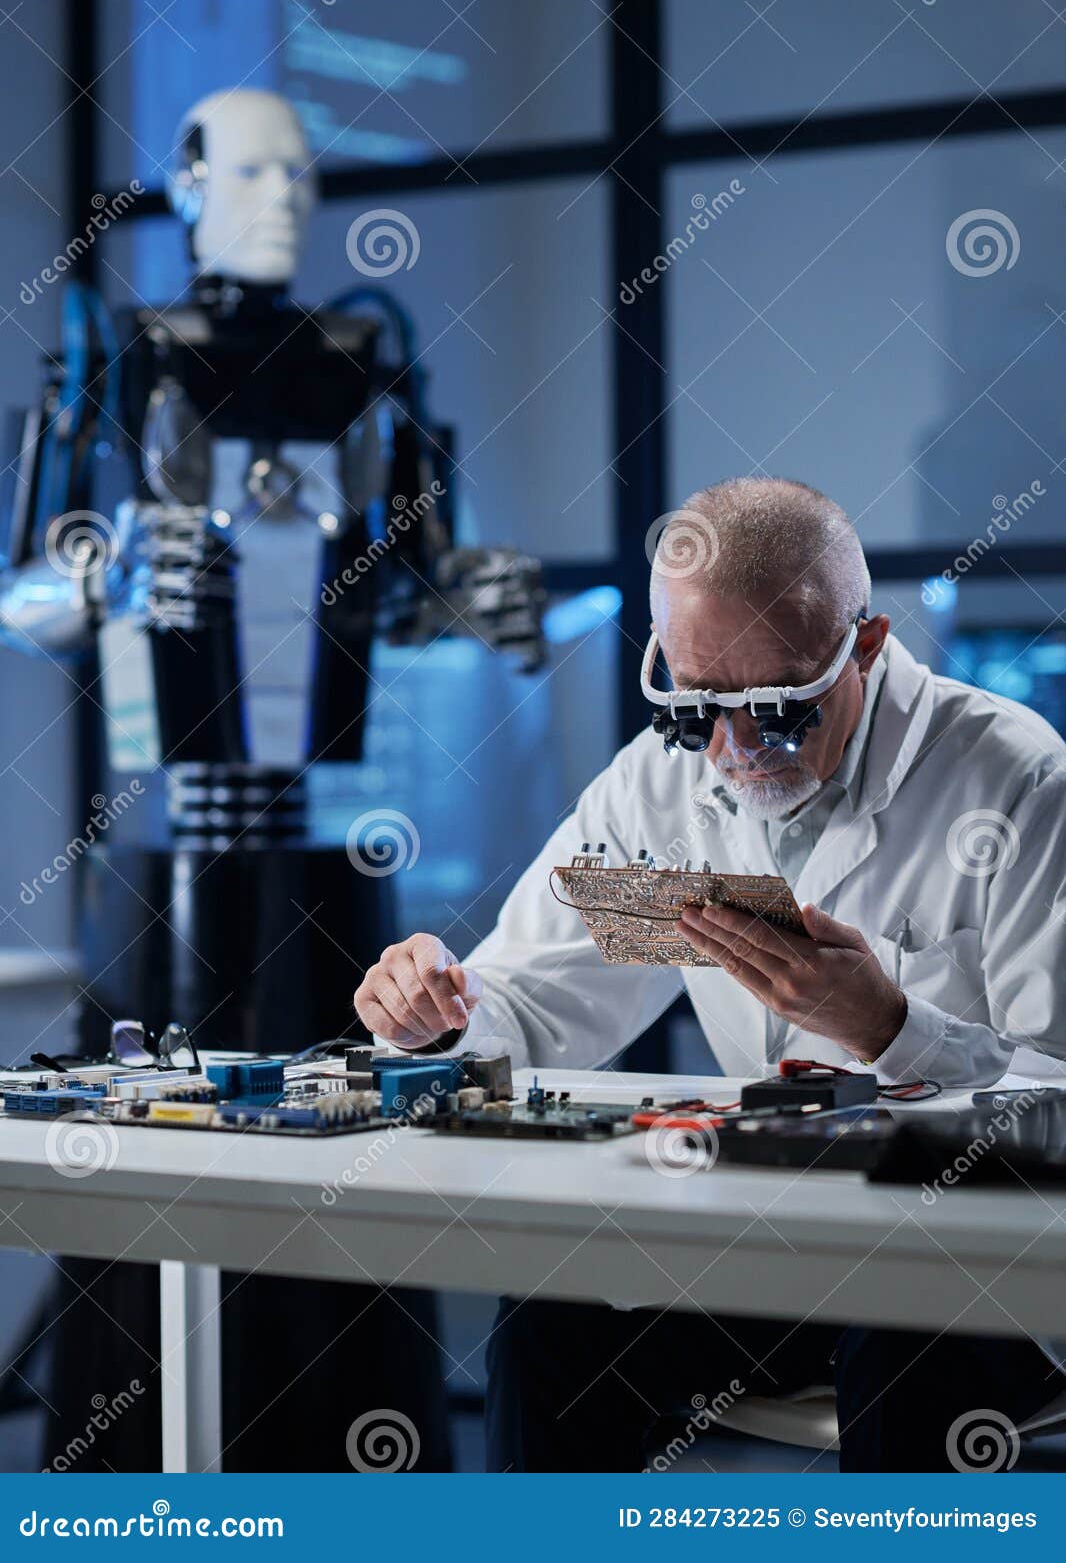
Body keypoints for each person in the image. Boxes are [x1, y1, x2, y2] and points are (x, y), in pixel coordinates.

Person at [354, 478, 1066, 1471]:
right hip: (775, 1254)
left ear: (863, 645)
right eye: (696, 710)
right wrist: (436, 1013)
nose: (731, 751)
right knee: (551, 1317)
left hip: (983, 1267)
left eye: (777, 712)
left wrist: (894, 1027)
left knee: (904, 1334)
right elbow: (529, 999)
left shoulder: (1014, 782)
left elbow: (1058, 1106)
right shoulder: (663, 788)